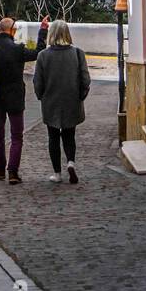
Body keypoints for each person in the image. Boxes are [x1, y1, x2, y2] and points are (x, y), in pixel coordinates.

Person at [0, 16, 38, 184]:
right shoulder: (18, 49)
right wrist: (43, 30)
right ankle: (12, 172)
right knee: (16, 136)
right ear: (12, 30)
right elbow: (38, 52)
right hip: (15, 98)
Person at [33, 19, 91, 184]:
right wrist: (81, 96)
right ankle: (71, 162)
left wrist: (41, 96)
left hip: (51, 101)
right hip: (71, 100)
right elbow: (85, 79)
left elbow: (38, 81)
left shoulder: (43, 56)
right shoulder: (78, 53)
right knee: (69, 135)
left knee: (53, 137)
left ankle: (57, 173)